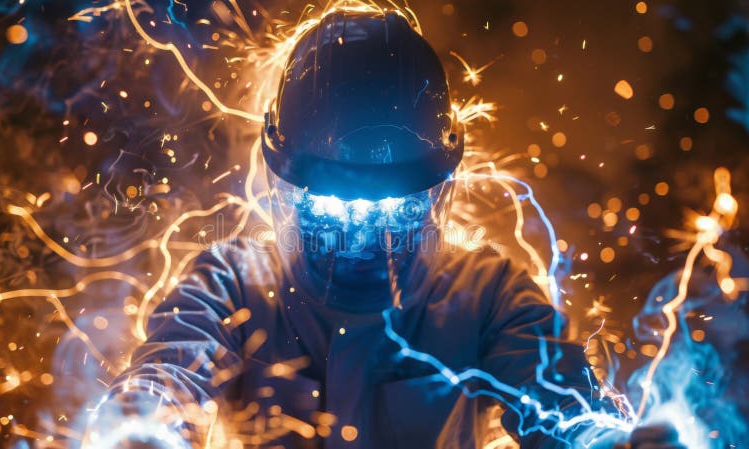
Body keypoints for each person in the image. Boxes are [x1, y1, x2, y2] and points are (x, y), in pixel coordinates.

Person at [83, 10, 687, 449]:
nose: (361, 238)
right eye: (334, 208)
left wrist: (609, 442)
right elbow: (171, 368)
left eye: (393, 209)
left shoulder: (488, 293)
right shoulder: (230, 282)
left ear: (437, 191)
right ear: (284, 186)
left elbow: (559, 405)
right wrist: (144, 428)